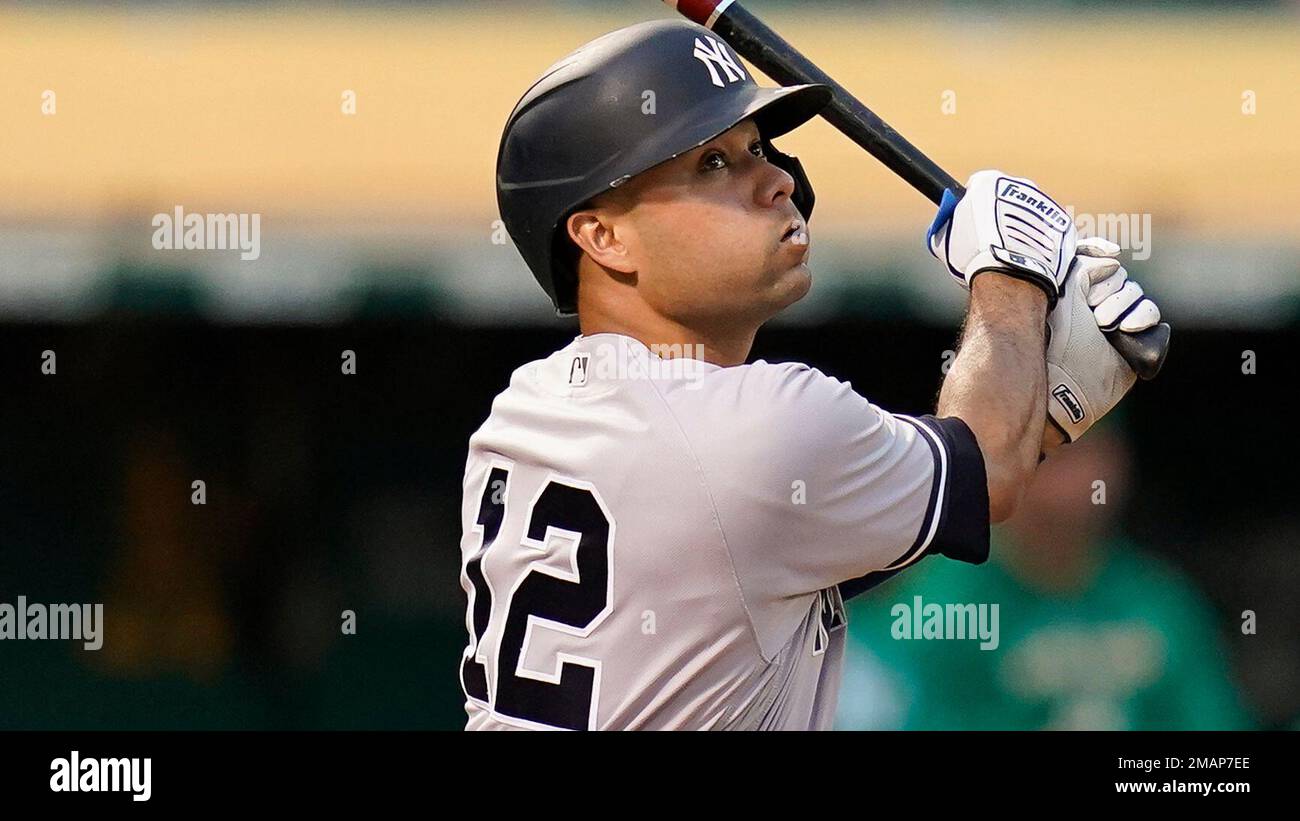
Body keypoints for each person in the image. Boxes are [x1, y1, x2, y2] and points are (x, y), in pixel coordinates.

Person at [459, 18, 1162, 730]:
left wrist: (1038, 411)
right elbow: (984, 475)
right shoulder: (765, 421)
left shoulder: (523, 415)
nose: (778, 179)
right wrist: (1010, 278)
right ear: (603, 236)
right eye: (711, 164)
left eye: (758, 149)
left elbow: (820, 532)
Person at [834, 420, 1254, 730]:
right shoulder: (937, 607)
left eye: (1087, 452)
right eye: (1045, 458)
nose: (1070, 487)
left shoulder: (1161, 602)